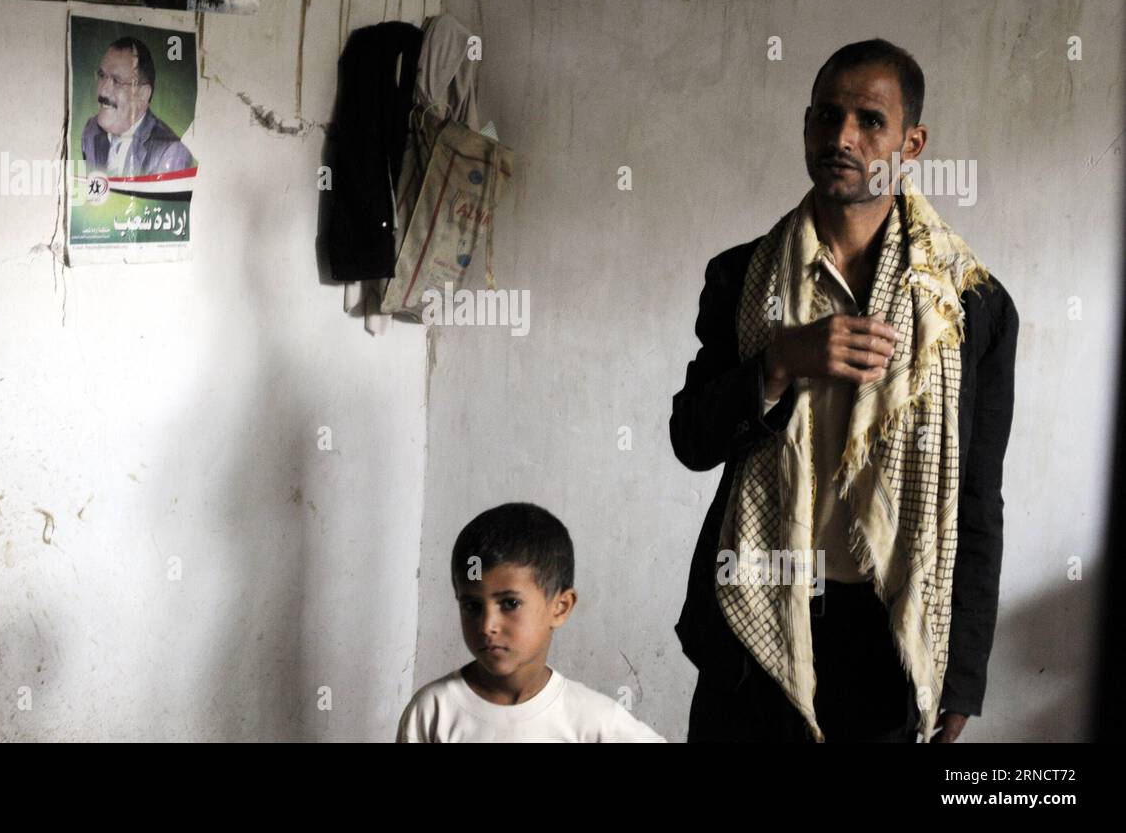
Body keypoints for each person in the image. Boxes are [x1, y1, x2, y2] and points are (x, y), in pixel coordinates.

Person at [670, 39, 1018, 743]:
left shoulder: (970, 304)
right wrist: (777, 362)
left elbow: (977, 498)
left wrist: (963, 675)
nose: (843, 137)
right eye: (828, 116)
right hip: (756, 618)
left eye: (869, 120)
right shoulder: (741, 277)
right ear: (806, 125)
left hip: (891, 637)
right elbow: (692, 439)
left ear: (912, 142)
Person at [396, 502, 666, 742]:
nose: (487, 625)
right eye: (472, 606)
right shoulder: (433, 711)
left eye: (510, 603)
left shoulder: (594, 720)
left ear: (560, 608)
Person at [80, 36, 194, 179]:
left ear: (142, 94)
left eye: (117, 81)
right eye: (102, 76)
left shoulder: (170, 153)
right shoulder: (90, 131)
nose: (103, 91)